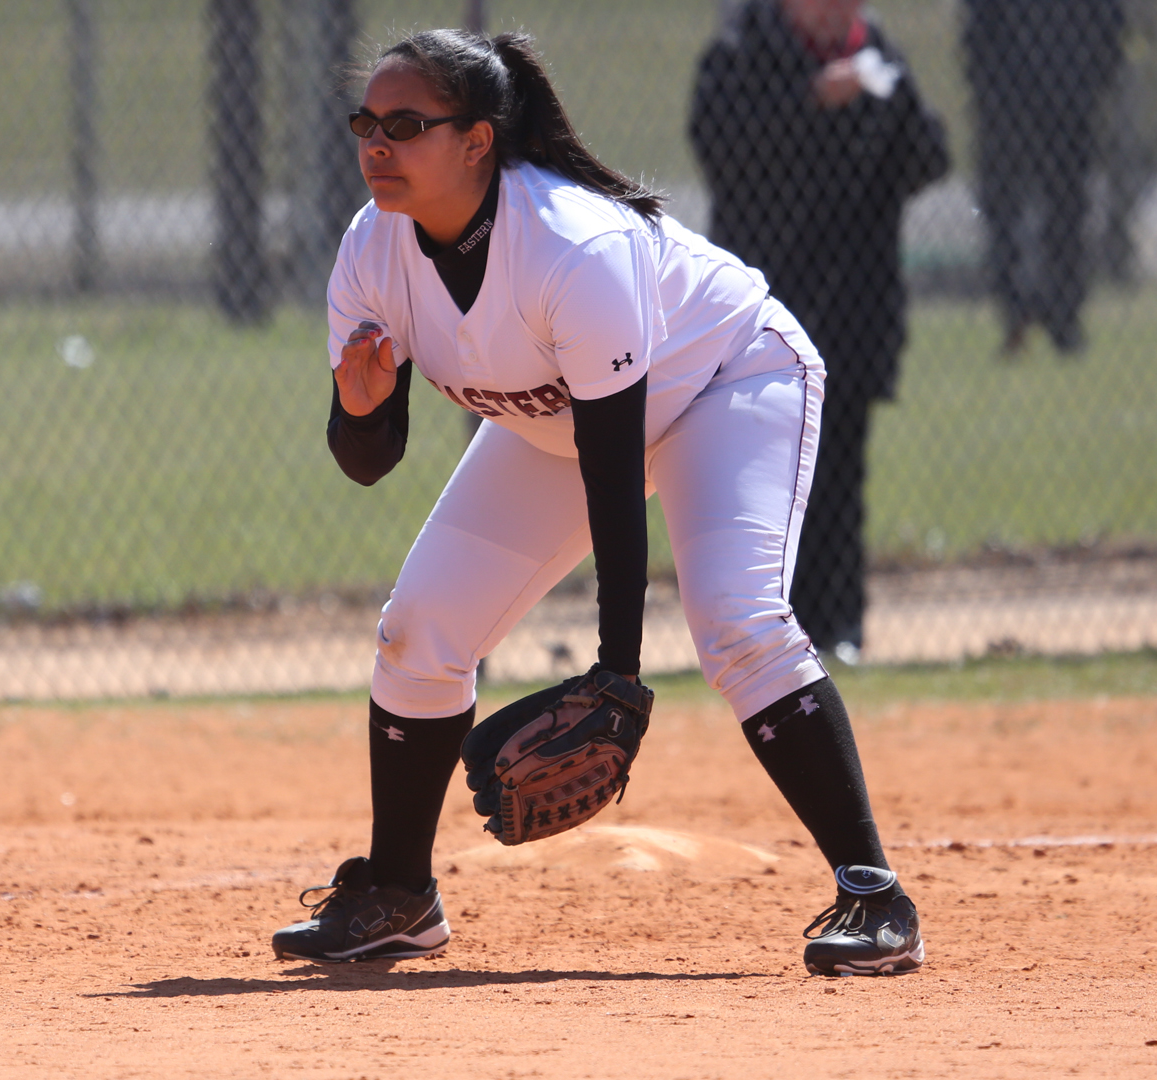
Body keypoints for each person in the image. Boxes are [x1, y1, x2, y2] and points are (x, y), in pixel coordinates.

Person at [269, 29, 923, 977]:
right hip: (557, 423)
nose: (377, 143)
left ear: (477, 141)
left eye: (406, 125)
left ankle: (875, 895)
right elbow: (369, 459)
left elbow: (615, 471)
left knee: (737, 622)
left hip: (727, 380)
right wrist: (361, 412)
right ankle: (399, 893)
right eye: (366, 122)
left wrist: (616, 674)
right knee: (420, 628)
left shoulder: (575, 246)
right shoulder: (374, 250)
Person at [688, 0, 950, 659]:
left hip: (857, 301)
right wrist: (809, 101)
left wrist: (880, 98)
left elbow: (930, 158)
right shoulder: (741, 53)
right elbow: (717, 146)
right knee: (759, 481)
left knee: (842, 472)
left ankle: (842, 633)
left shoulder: (873, 52)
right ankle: (766, 632)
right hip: (765, 307)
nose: (841, 10)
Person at [964, 0, 1126, 355]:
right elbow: (977, 30)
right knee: (1004, 209)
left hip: (1069, 103)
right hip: (1008, 103)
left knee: (1067, 210)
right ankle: (1016, 312)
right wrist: (989, 90)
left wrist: (1093, 82)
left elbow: (1110, 25)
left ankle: (1063, 317)